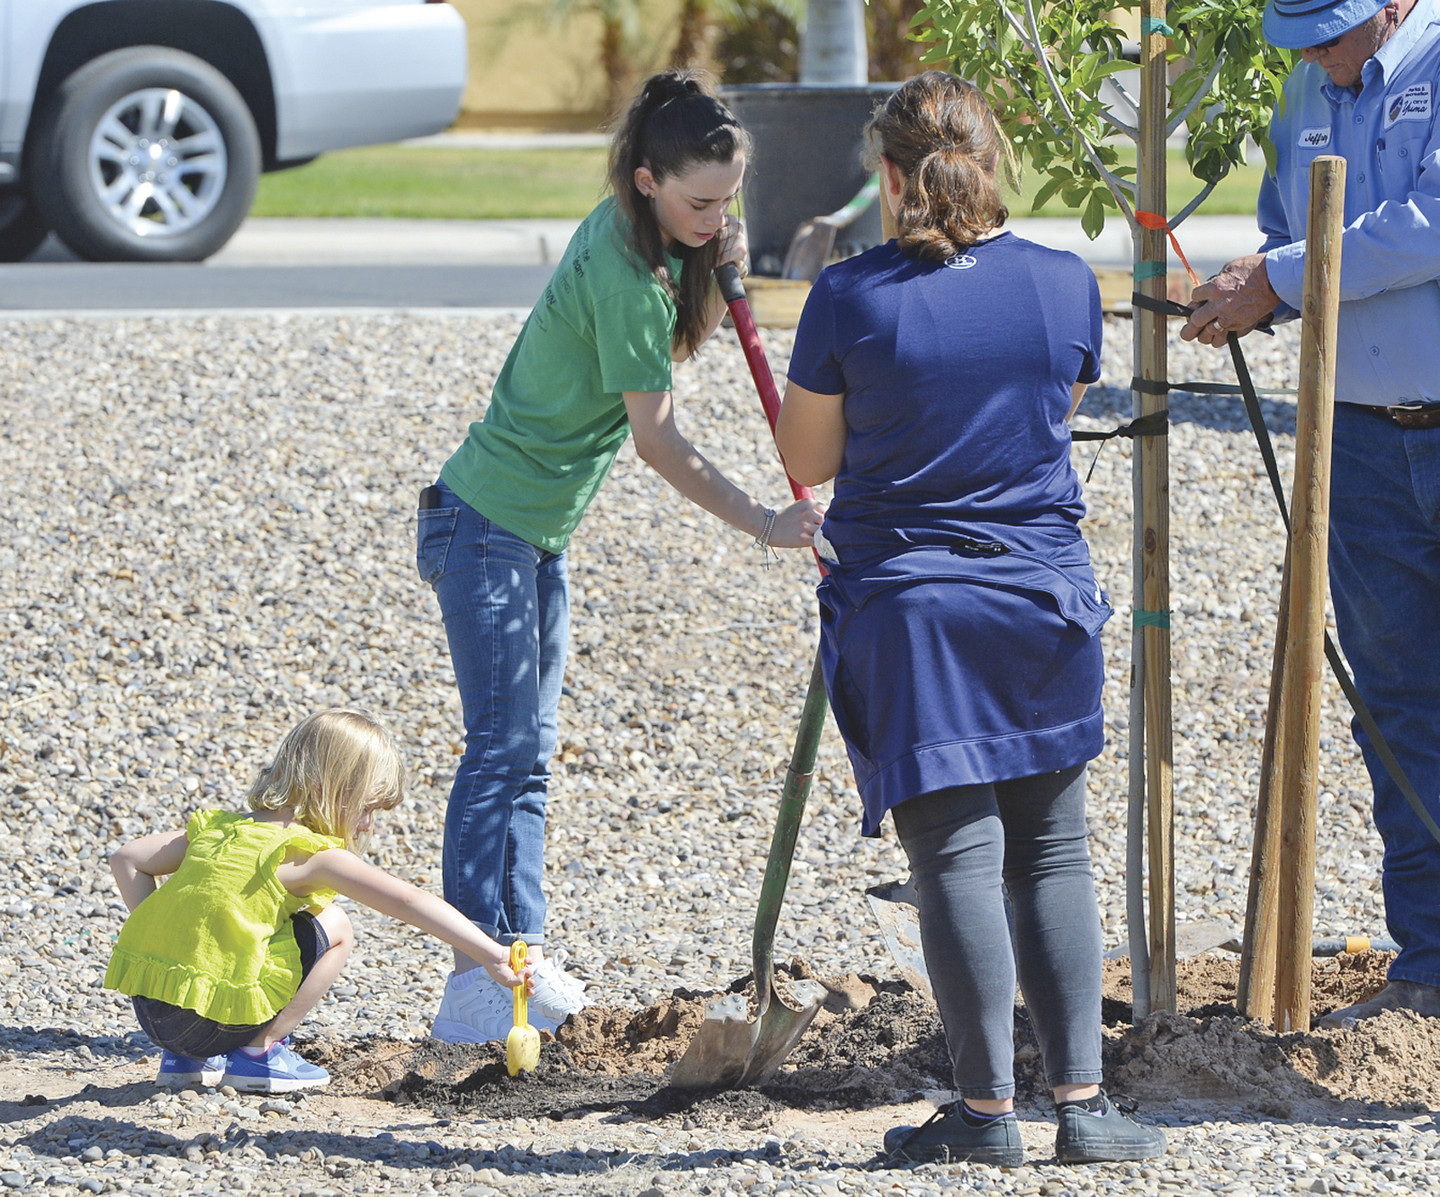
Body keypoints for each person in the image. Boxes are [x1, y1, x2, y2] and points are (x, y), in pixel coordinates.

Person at [774, 72, 1166, 1166]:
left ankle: (987, 1116)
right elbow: (1052, 414)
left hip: (916, 608)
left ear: (889, 175)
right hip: (1043, 598)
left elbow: (808, 463)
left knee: (955, 857)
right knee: (1054, 851)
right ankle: (1084, 1109)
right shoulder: (1064, 283)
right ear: (994, 162)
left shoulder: (851, 296)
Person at [417, 70, 825, 1045]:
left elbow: (682, 341)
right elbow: (659, 440)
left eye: (730, 202)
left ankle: (513, 954)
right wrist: (765, 521)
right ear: (647, 180)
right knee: (502, 753)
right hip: (486, 529)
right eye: (699, 203)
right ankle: (479, 976)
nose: (717, 219)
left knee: (528, 756)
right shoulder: (623, 274)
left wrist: (717, 266)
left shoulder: (639, 237)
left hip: (529, 534)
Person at [1180, 0, 1440, 1028]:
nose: (1314, 61)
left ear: (1389, 7)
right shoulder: (1305, 91)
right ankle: (1428, 966)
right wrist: (1242, 288)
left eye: (1327, 36)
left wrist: (1280, 276)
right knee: (1397, 708)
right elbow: (1290, 241)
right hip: (1362, 443)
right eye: (1296, 42)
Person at [104, 709, 532, 1091]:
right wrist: (491, 953)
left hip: (154, 1013)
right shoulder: (310, 855)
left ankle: (187, 1062)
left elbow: (126, 859)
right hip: (214, 1024)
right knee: (337, 925)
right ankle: (260, 1053)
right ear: (331, 789)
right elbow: (408, 901)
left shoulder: (219, 828)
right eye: (367, 808)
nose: (366, 824)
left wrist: (170, 939)